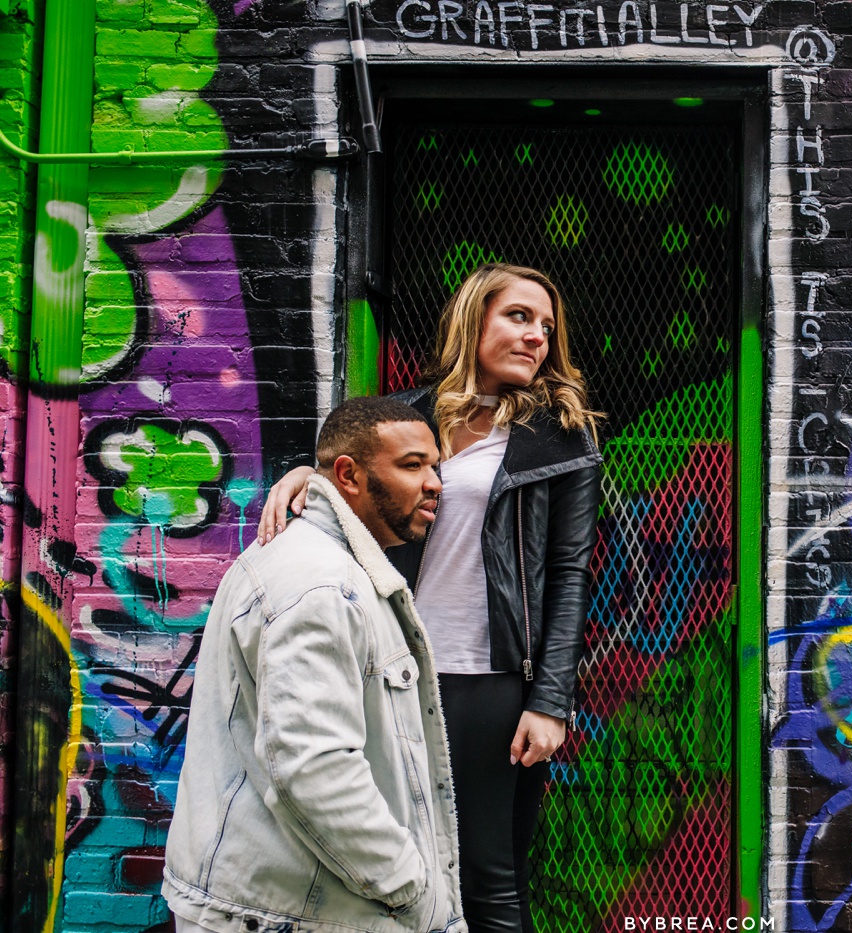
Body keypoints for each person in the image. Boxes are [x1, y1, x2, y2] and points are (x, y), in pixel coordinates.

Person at [257, 263, 603, 933]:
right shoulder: (410, 415)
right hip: (393, 668)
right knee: (402, 865)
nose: (537, 336)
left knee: (488, 877)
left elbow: (569, 573)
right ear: (475, 320)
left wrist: (549, 701)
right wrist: (309, 472)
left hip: (490, 678)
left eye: (547, 327)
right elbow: (351, 477)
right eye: (519, 317)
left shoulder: (561, 436)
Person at [163, 396, 462, 933]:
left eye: (434, 466)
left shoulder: (326, 565)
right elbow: (313, 769)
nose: (435, 482)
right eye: (413, 465)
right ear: (348, 475)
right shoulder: (322, 585)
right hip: (289, 913)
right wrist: (411, 891)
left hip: (288, 900)